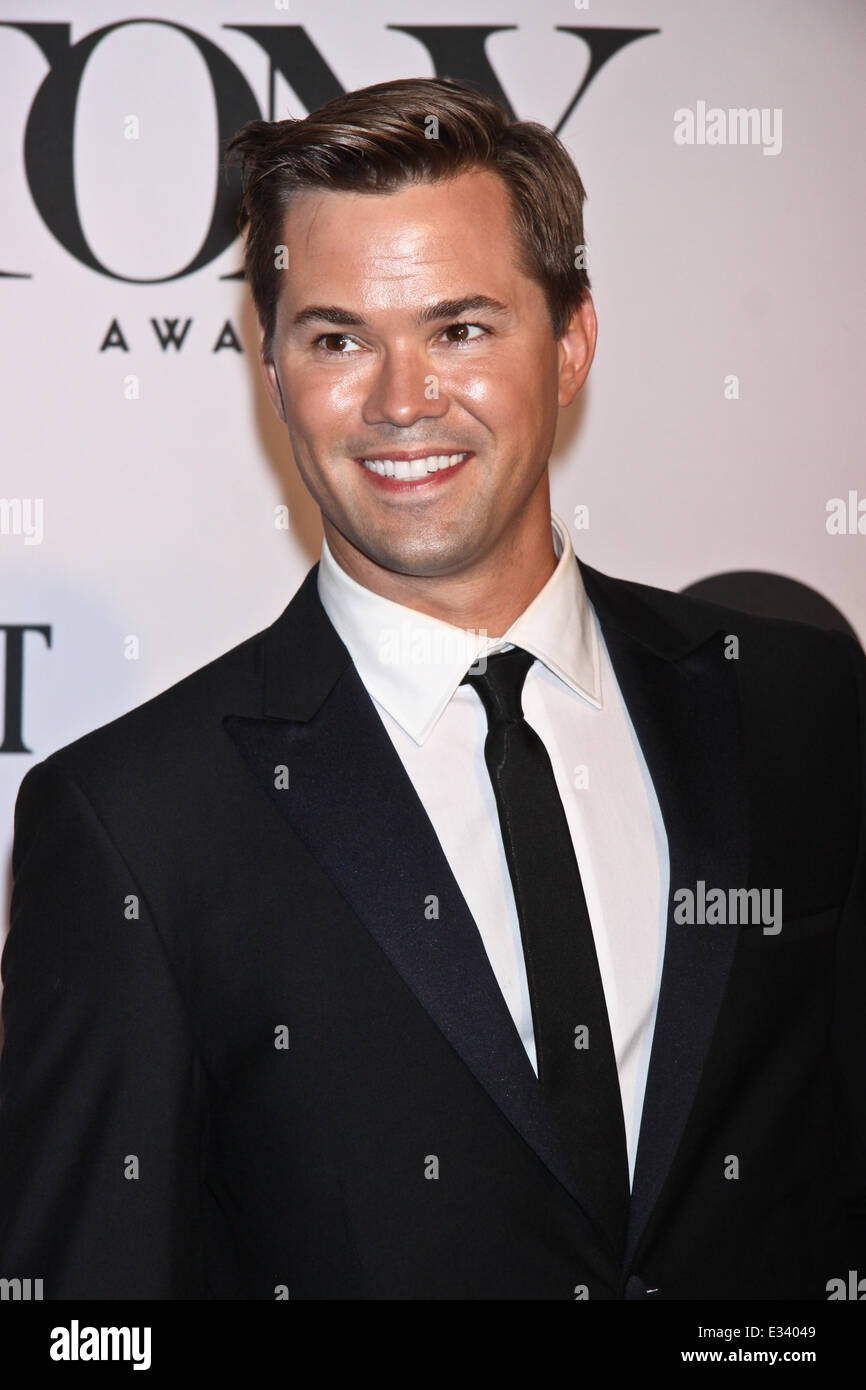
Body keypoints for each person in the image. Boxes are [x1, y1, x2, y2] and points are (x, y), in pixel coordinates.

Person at [0, 76, 863, 1301]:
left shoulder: (793, 706)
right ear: (270, 364)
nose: (402, 401)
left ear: (570, 342)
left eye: (460, 328)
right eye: (338, 337)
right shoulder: (136, 823)